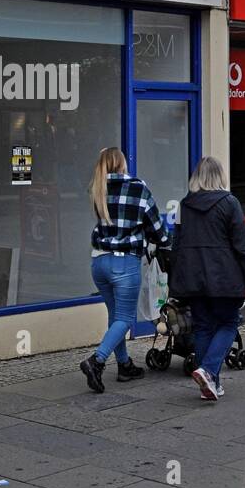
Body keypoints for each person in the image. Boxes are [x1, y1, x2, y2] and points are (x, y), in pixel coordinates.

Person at [79, 146, 169, 394]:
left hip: (99, 262)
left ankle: (125, 365)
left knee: (115, 315)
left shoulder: (98, 188)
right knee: (126, 318)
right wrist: (164, 241)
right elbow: (159, 230)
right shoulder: (137, 188)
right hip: (124, 263)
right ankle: (96, 361)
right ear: (122, 164)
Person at [171, 156, 245, 403]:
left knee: (203, 327)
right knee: (229, 323)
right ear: (220, 176)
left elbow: (177, 247)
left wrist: (174, 282)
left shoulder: (184, 205)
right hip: (224, 278)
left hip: (193, 278)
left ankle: (210, 385)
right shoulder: (229, 203)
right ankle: (208, 371)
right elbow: (242, 246)